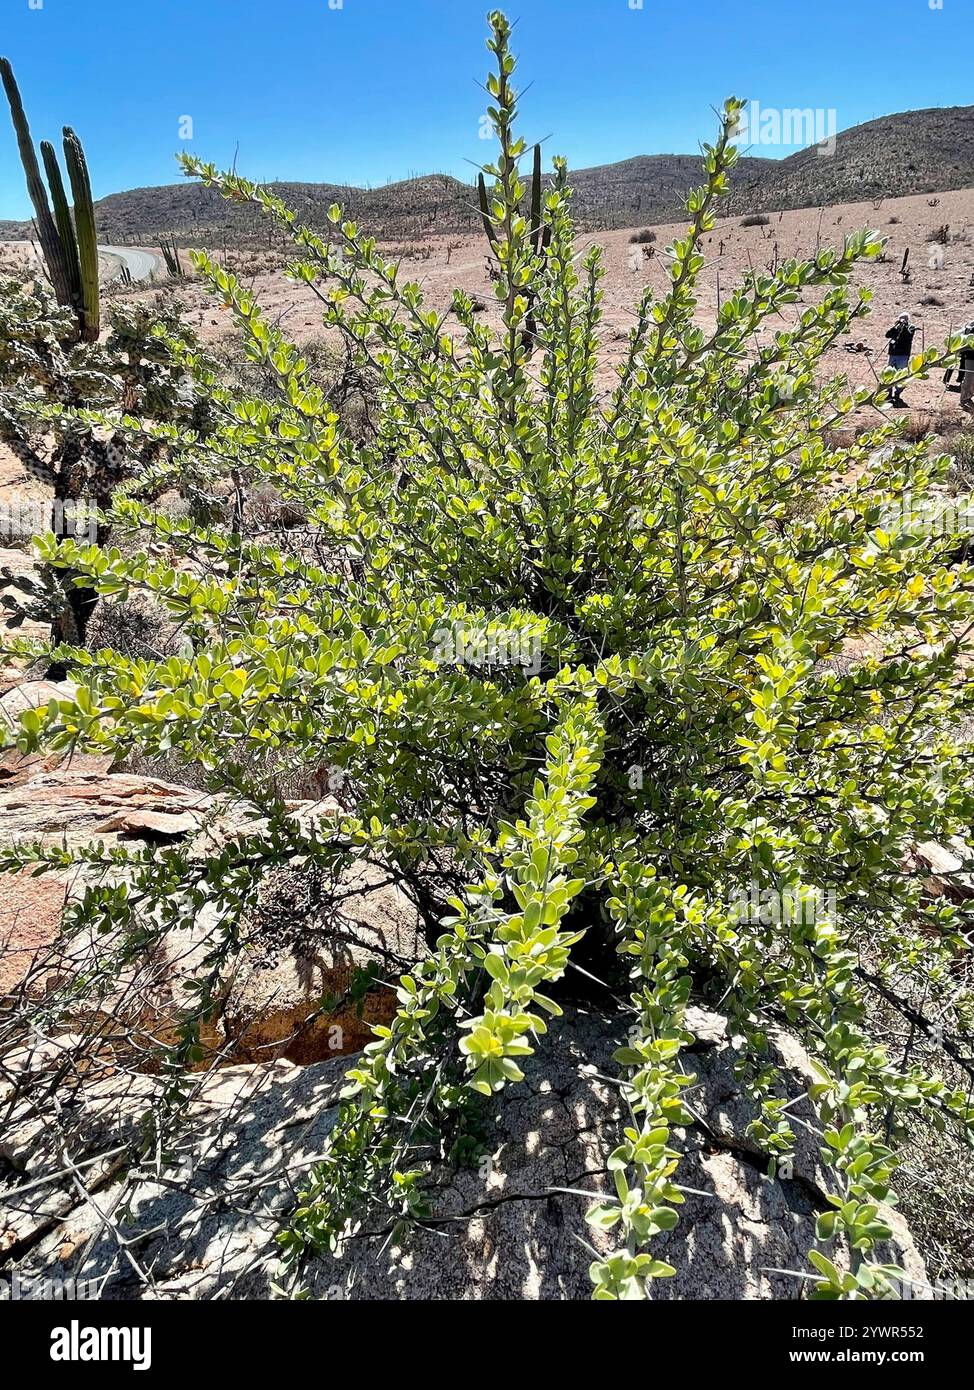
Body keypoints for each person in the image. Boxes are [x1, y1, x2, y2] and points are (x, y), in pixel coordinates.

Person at [885, 313, 916, 405]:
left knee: (901, 376)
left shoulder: (910, 327)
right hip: (893, 354)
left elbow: (908, 336)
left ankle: (897, 394)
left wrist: (904, 326)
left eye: (904, 319)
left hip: (903, 355)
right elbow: (887, 335)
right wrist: (895, 327)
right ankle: (888, 394)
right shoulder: (896, 328)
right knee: (889, 375)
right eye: (900, 319)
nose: (902, 321)